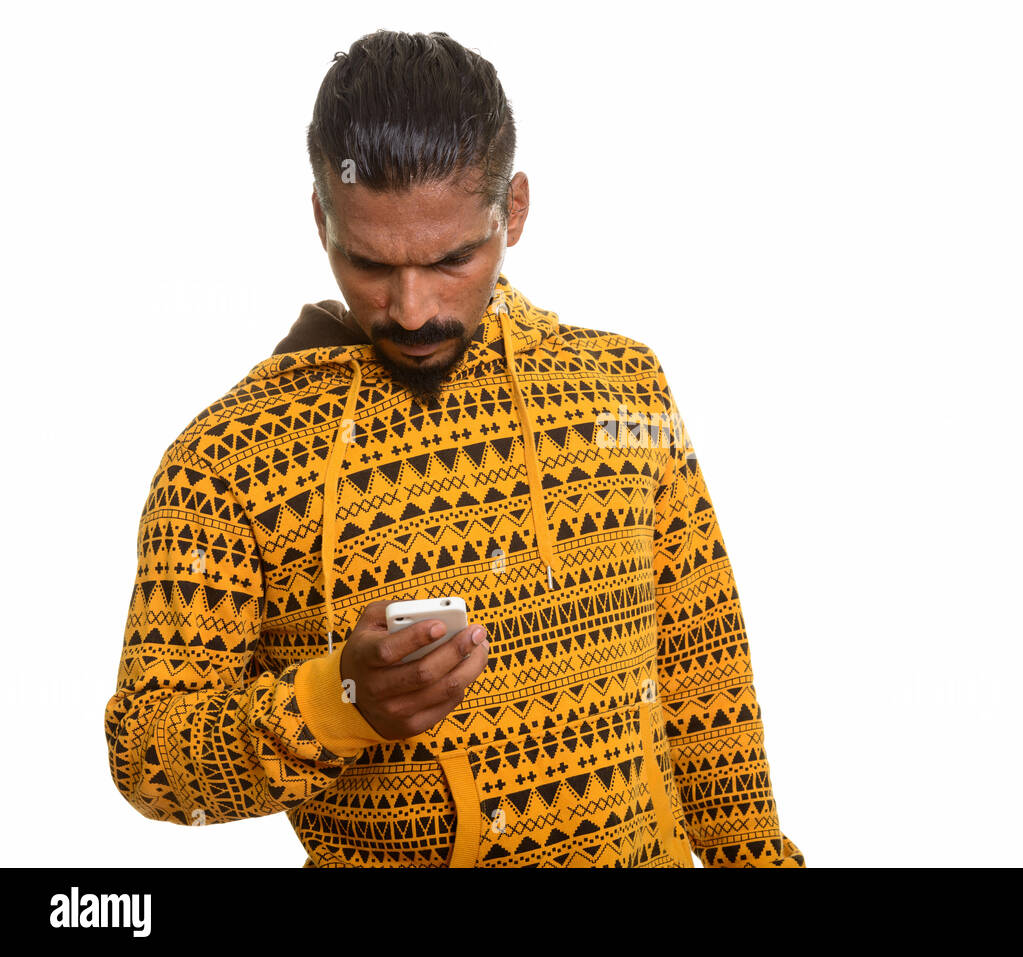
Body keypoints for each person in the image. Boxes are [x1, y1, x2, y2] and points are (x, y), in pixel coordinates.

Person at [104, 28, 803, 868]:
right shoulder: (227, 459)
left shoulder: (626, 388)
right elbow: (147, 757)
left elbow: (707, 675)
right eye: (367, 262)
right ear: (321, 217)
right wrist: (339, 701)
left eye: (450, 260)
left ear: (512, 211)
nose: (409, 308)